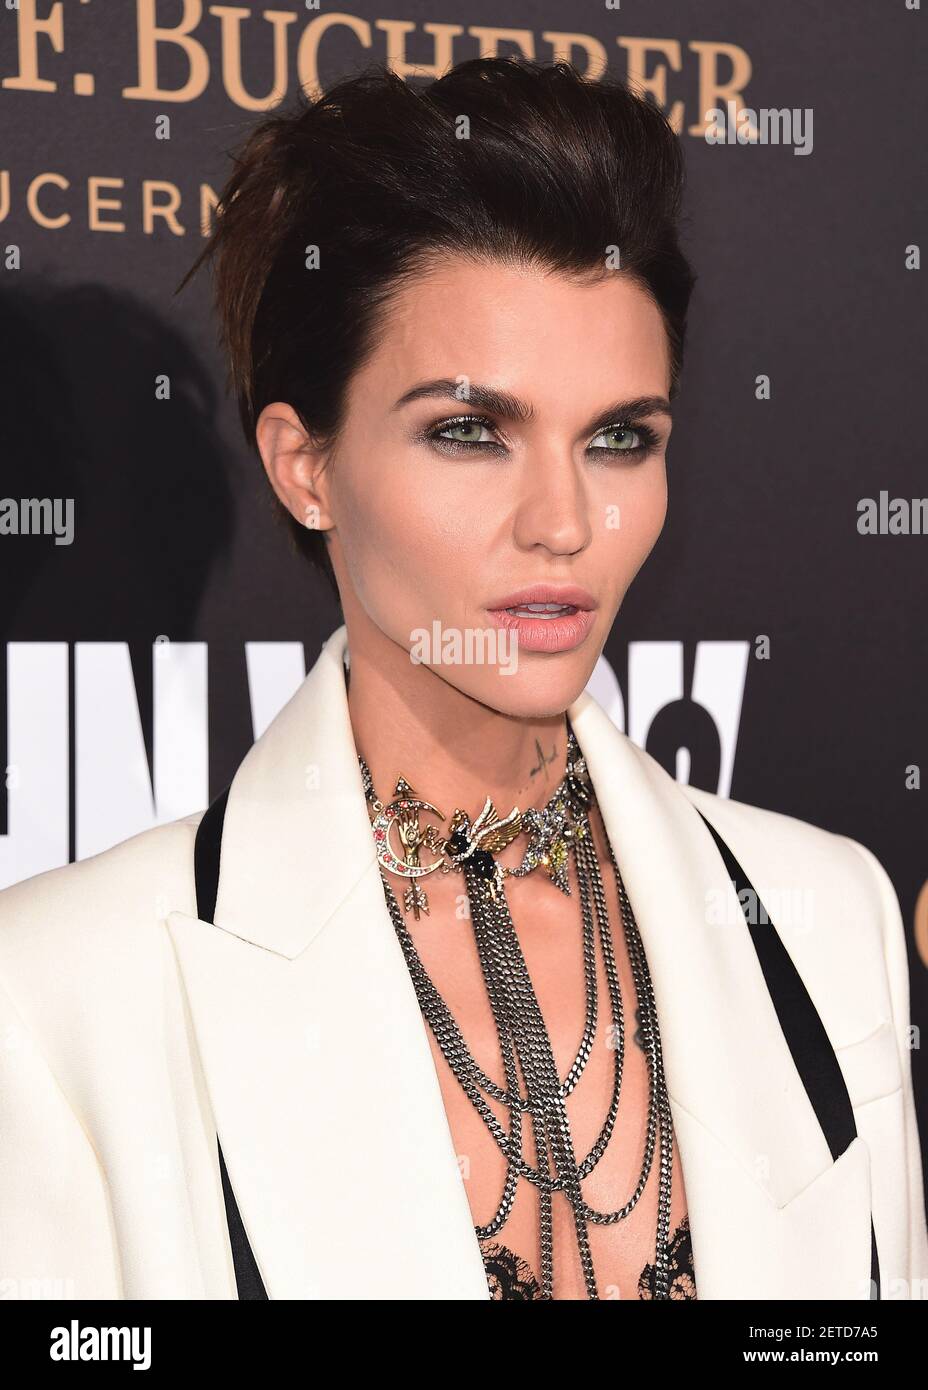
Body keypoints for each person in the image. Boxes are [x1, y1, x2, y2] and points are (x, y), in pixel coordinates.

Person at [0, 57, 925, 1302]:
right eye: (469, 431)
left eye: (619, 438)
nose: (564, 520)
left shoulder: (826, 913)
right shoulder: (61, 991)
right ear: (304, 466)